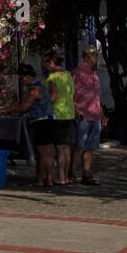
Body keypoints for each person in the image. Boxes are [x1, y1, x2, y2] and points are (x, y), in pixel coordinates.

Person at [7, 63, 54, 187]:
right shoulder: (41, 86)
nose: (21, 81)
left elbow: (24, 107)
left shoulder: (34, 89)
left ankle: (39, 180)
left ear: (27, 77)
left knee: (42, 154)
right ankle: (48, 179)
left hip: (41, 122)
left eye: (21, 78)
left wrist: (7, 109)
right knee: (48, 153)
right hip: (49, 120)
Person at [71, 48, 106, 185]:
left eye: (97, 55)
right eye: (94, 55)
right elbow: (72, 94)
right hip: (83, 115)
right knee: (79, 146)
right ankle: (72, 173)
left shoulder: (94, 74)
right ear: (86, 56)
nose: (96, 57)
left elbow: (96, 97)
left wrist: (102, 114)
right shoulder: (78, 72)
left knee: (90, 147)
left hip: (95, 115)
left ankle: (87, 173)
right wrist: (76, 110)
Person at [44, 54, 77, 185]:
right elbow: (72, 94)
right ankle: (66, 177)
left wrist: (43, 103)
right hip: (69, 113)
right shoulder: (68, 75)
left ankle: (61, 177)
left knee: (59, 148)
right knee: (66, 147)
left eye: (47, 63)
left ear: (52, 62)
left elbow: (53, 97)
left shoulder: (53, 78)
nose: (45, 66)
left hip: (57, 114)